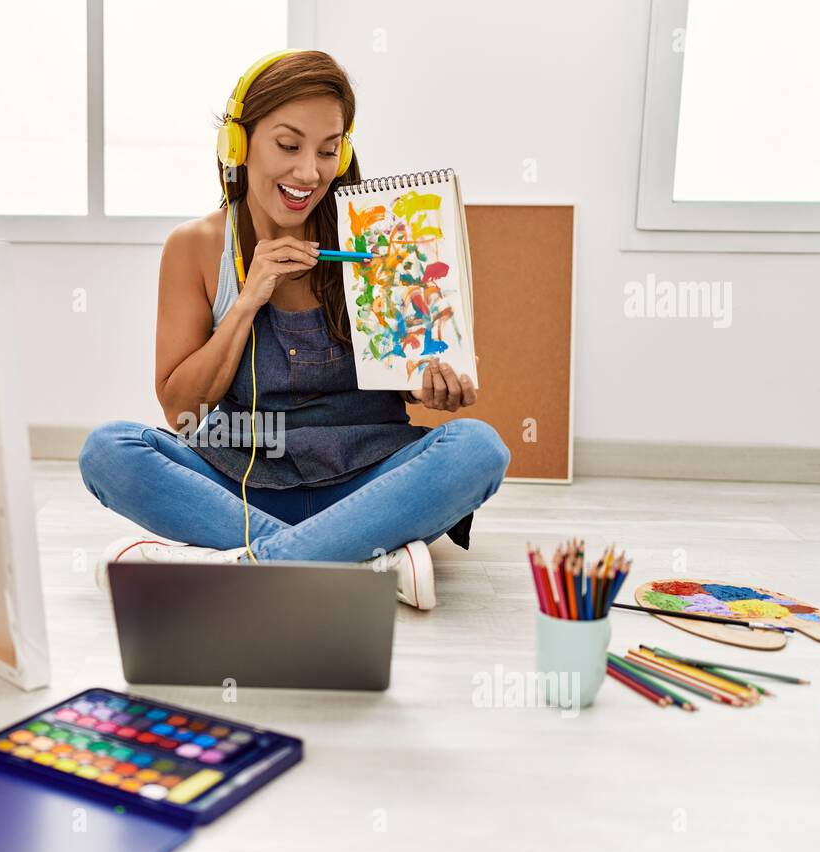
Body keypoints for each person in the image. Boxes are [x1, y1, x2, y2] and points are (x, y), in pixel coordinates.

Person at [79, 50, 510, 610]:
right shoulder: (195, 247)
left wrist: (432, 384)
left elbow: (405, 373)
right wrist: (247, 300)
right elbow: (179, 409)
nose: (309, 173)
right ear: (239, 144)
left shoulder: (377, 237)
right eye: (289, 145)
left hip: (367, 481)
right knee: (108, 449)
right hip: (237, 480)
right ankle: (363, 560)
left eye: (328, 150)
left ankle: (244, 563)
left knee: (479, 448)